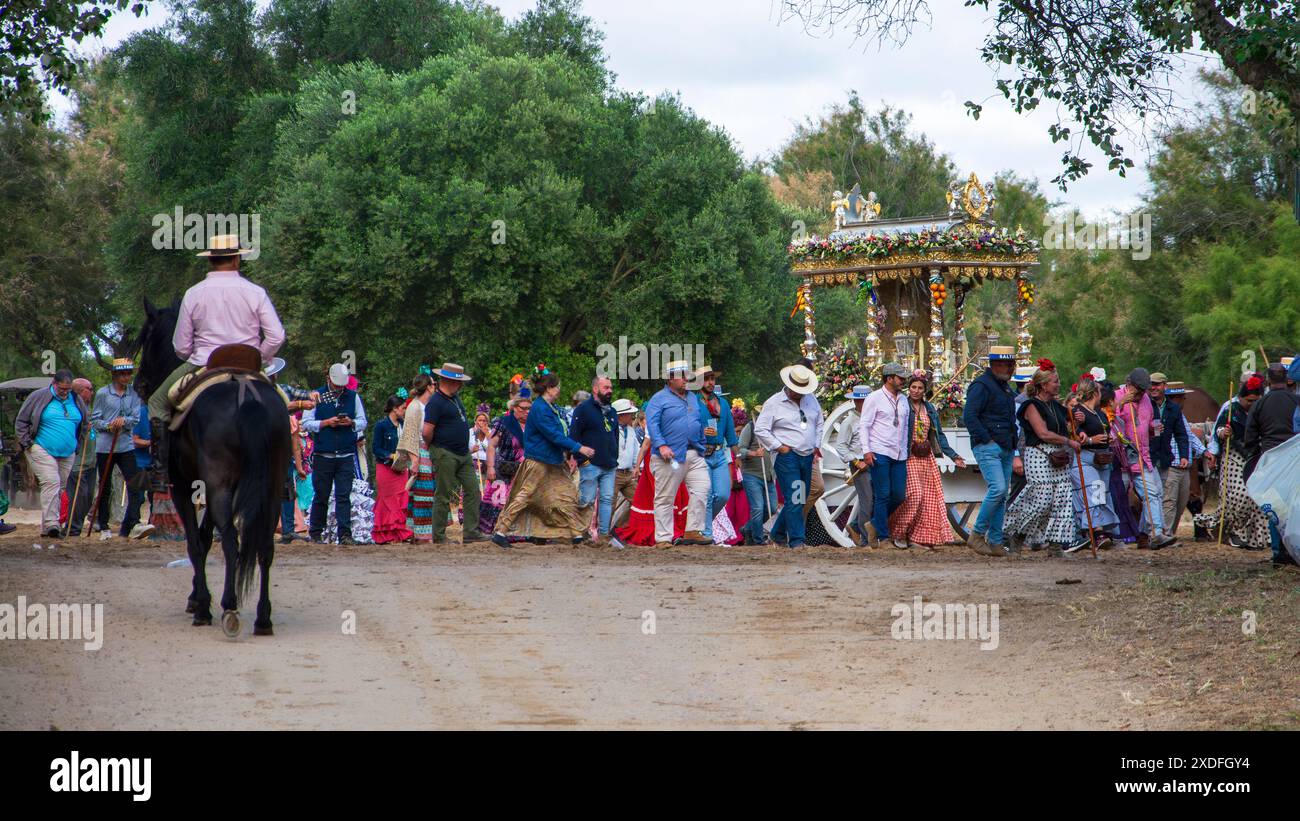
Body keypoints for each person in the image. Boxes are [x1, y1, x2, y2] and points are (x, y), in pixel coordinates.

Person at [146, 234, 285, 478]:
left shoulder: (194, 293)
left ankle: (159, 472)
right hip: (249, 367)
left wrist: (194, 355)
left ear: (211, 260)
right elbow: (276, 336)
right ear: (237, 259)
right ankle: (282, 478)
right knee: (282, 405)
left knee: (157, 402)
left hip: (204, 364)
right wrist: (260, 359)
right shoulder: (255, 292)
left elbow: (180, 345)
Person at [491, 366, 595, 547]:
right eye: (557, 386)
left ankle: (577, 533)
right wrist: (579, 448)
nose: (559, 390)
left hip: (553, 461)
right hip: (538, 461)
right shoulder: (540, 408)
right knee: (525, 495)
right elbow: (554, 435)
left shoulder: (550, 407)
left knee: (566, 495)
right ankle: (500, 531)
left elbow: (560, 433)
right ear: (549, 388)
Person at [1003, 362, 1080, 554]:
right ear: (1044, 385)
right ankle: (1017, 534)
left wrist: (1078, 428)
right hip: (1038, 454)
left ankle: (1056, 544)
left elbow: (1069, 429)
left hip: (1059, 456)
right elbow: (1043, 433)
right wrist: (1068, 442)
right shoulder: (1031, 405)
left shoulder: (1057, 406)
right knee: (1041, 500)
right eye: (1055, 381)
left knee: (1062, 499)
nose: (1058, 384)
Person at [1193, 378, 1272, 551]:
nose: (1252, 404)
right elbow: (1218, 431)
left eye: (1255, 401)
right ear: (1241, 397)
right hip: (1234, 457)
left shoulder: (1263, 409)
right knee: (1239, 497)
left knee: (1258, 499)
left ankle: (1255, 538)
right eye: (1249, 401)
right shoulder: (1231, 408)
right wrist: (1223, 433)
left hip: (1258, 456)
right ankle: (1234, 531)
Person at [888, 372, 964, 550]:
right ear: (909, 388)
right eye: (913, 387)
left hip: (927, 458)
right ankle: (898, 532)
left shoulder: (929, 409)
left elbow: (939, 435)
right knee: (915, 495)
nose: (916, 391)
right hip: (908, 456)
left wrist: (953, 456)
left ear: (925, 390)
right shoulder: (902, 405)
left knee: (929, 499)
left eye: (920, 388)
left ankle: (917, 537)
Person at [754, 363, 824, 549]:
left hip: (806, 455)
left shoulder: (812, 400)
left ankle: (776, 534)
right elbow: (760, 429)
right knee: (795, 497)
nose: (800, 393)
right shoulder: (773, 403)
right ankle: (797, 541)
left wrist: (816, 444)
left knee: (799, 498)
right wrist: (778, 447)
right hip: (788, 457)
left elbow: (819, 422)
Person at [15, 370, 91, 538]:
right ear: (54, 384)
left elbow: (85, 423)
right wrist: (28, 444)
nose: (64, 392)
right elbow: (21, 421)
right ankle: (52, 524)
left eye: (68, 389)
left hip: (68, 452)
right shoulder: (38, 396)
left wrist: (77, 445)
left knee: (59, 487)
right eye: (61, 388)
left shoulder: (76, 400)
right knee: (51, 482)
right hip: (41, 447)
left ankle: (47, 527)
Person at [644, 360, 712, 546]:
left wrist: (702, 443)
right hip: (669, 456)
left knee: (702, 489)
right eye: (681, 376)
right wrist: (662, 445)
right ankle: (663, 538)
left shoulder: (692, 398)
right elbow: (653, 425)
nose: (685, 379)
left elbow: (698, 421)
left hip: (694, 453)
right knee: (665, 497)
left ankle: (692, 530)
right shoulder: (658, 399)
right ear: (670, 379)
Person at [963, 346, 1019, 556]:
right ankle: (977, 534)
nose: (1009, 368)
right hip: (990, 445)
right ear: (994, 364)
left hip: (1005, 445)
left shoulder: (1003, 387)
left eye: (1010, 364)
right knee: (998, 489)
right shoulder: (981, 386)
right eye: (1005, 364)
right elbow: (969, 416)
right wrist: (986, 439)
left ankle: (995, 541)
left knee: (1002, 493)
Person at [1242, 363, 1300, 566]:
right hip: (1294, 460)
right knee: (1295, 506)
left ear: (1267, 381)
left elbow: (1250, 436)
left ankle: (1279, 552)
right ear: (1287, 380)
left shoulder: (1260, 404)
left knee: (1274, 507)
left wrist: (1253, 455)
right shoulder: (1296, 400)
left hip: (1271, 460)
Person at [303, 364, 367, 545]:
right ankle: (315, 532)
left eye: (342, 385)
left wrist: (351, 422)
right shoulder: (317, 396)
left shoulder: (353, 397)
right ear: (328, 379)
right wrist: (325, 423)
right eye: (337, 384)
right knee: (321, 495)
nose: (340, 388)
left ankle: (345, 534)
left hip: (345, 455)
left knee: (343, 496)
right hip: (324, 454)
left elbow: (363, 421)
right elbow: (306, 422)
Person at [421, 363, 485, 543]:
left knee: (473, 490)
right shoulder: (435, 402)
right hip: (444, 452)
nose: (461, 385)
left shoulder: (455, 398)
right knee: (443, 494)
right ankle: (439, 536)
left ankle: (471, 532)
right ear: (449, 381)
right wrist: (434, 447)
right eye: (459, 381)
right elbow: (426, 431)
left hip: (462, 453)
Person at [1112, 367, 1175, 549]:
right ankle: (1114, 536)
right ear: (1129, 385)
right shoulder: (1116, 396)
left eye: (1143, 390)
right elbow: (1106, 418)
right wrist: (1121, 403)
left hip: (1142, 456)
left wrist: (1153, 430)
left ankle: (1154, 533)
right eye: (1138, 390)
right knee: (1118, 496)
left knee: (1152, 494)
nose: (1141, 394)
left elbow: (1147, 425)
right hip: (1121, 456)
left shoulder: (1147, 400)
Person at [90, 358, 149, 541]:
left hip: (125, 446)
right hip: (106, 447)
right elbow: (95, 420)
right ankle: (104, 525)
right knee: (105, 487)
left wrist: (124, 422)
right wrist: (109, 425)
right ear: (115, 375)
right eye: (122, 373)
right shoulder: (102, 393)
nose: (126, 377)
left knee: (135, 485)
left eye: (128, 373)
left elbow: (135, 418)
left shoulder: (134, 395)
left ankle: (130, 523)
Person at [856, 363, 909, 548]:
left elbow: (906, 427)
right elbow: (864, 425)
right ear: (889, 378)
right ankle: (883, 537)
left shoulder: (903, 400)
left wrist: (906, 449)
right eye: (900, 377)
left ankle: (874, 524)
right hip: (880, 451)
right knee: (883, 494)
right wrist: (866, 450)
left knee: (899, 495)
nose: (903, 381)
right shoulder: (874, 398)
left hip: (900, 452)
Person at [1067, 379, 1119, 550]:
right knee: (1093, 490)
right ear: (1095, 393)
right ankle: (1096, 533)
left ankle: (1101, 529)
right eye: (1100, 390)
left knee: (1101, 493)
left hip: (1102, 458)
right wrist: (1090, 439)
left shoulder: (1099, 413)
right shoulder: (1078, 411)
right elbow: (1074, 432)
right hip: (1085, 458)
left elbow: (1104, 430)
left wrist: (1108, 438)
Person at [570, 375, 621, 547]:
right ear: (595, 389)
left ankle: (604, 535)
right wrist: (581, 460)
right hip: (590, 464)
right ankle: (581, 533)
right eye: (606, 387)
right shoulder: (583, 409)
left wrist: (615, 457)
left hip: (609, 463)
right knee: (587, 500)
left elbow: (615, 436)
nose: (610, 391)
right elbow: (574, 436)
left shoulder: (612, 411)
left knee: (607, 499)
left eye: (610, 387)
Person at [691, 366, 739, 542]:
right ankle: (707, 535)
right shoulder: (693, 402)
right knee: (708, 496)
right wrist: (702, 432)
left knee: (723, 494)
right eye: (707, 379)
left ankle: (703, 525)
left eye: (713, 379)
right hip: (701, 454)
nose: (711, 382)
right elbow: (688, 427)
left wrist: (737, 455)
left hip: (719, 454)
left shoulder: (723, 404)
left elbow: (731, 434)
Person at [482, 390, 531, 537]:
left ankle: (520, 533)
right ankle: (498, 531)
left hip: (525, 471)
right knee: (500, 501)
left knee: (521, 501)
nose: (527, 412)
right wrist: (490, 467)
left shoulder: (533, 425)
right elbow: (491, 445)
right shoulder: (504, 422)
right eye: (524, 408)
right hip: (505, 470)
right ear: (515, 407)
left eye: (530, 408)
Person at [1147, 373, 1190, 540]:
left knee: (1163, 495)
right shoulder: (1145, 406)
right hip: (1147, 456)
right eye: (1151, 384)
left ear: (1165, 386)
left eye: (1157, 384)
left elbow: (1181, 434)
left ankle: (1162, 533)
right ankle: (1155, 532)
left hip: (1164, 457)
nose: (1154, 388)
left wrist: (1184, 455)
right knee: (1153, 494)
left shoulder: (1173, 408)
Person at [369, 395, 413, 544]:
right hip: (386, 467)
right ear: (394, 409)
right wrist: (390, 455)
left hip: (401, 468)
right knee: (387, 500)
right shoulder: (381, 426)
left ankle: (401, 533)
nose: (404, 411)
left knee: (401, 499)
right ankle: (383, 534)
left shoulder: (404, 425)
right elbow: (375, 448)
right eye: (403, 408)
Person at [833, 386, 874, 545]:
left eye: (866, 400)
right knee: (867, 501)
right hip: (860, 466)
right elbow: (841, 446)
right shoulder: (849, 422)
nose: (864, 403)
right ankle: (864, 538)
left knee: (879, 498)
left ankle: (856, 526)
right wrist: (856, 462)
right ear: (855, 401)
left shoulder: (873, 418)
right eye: (861, 400)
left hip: (874, 462)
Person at [1163, 381, 1204, 536]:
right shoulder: (1165, 414)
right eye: (1182, 397)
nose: (1185, 400)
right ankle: (1165, 534)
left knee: (1179, 504)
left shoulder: (1180, 415)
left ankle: (1170, 533)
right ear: (1176, 398)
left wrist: (1204, 451)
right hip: (1171, 465)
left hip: (1183, 465)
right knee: (1169, 502)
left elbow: (1189, 436)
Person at [61, 378, 98, 538]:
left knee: (88, 496)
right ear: (81, 391)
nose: (92, 392)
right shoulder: (71, 408)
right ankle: (72, 528)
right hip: (76, 462)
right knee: (79, 495)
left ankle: (77, 525)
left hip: (91, 461)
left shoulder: (89, 409)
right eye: (90, 389)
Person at [737, 402, 776, 545]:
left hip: (769, 475)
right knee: (758, 508)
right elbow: (740, 451)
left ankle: (748, 529)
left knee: (771, 508)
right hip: (752, 475)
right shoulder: (751, 427)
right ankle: (758, 540)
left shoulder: (773, 430)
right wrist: (753, 453)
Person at [611, 398, 642, 531]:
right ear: (621, 416)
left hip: (628, 473)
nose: (632, 416)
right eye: (630, 414)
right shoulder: (610, 430)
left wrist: (637, 467)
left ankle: (622, 528)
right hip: (614, 473)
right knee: (609, 505)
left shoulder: (631, 430)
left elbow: (636, 450)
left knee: (639, 502)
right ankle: (602, 533)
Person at [469, 411, 491, 485]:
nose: (481, 422)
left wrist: (487, 434)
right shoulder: (469, 432)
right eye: (479, 420)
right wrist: (472, 450)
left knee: (486, 487)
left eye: (484, 420)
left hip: (487, 464)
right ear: (475, 421)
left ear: (487, 422)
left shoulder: (491, 432)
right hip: (473, 463)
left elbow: (496, 449)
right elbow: (462, 450)